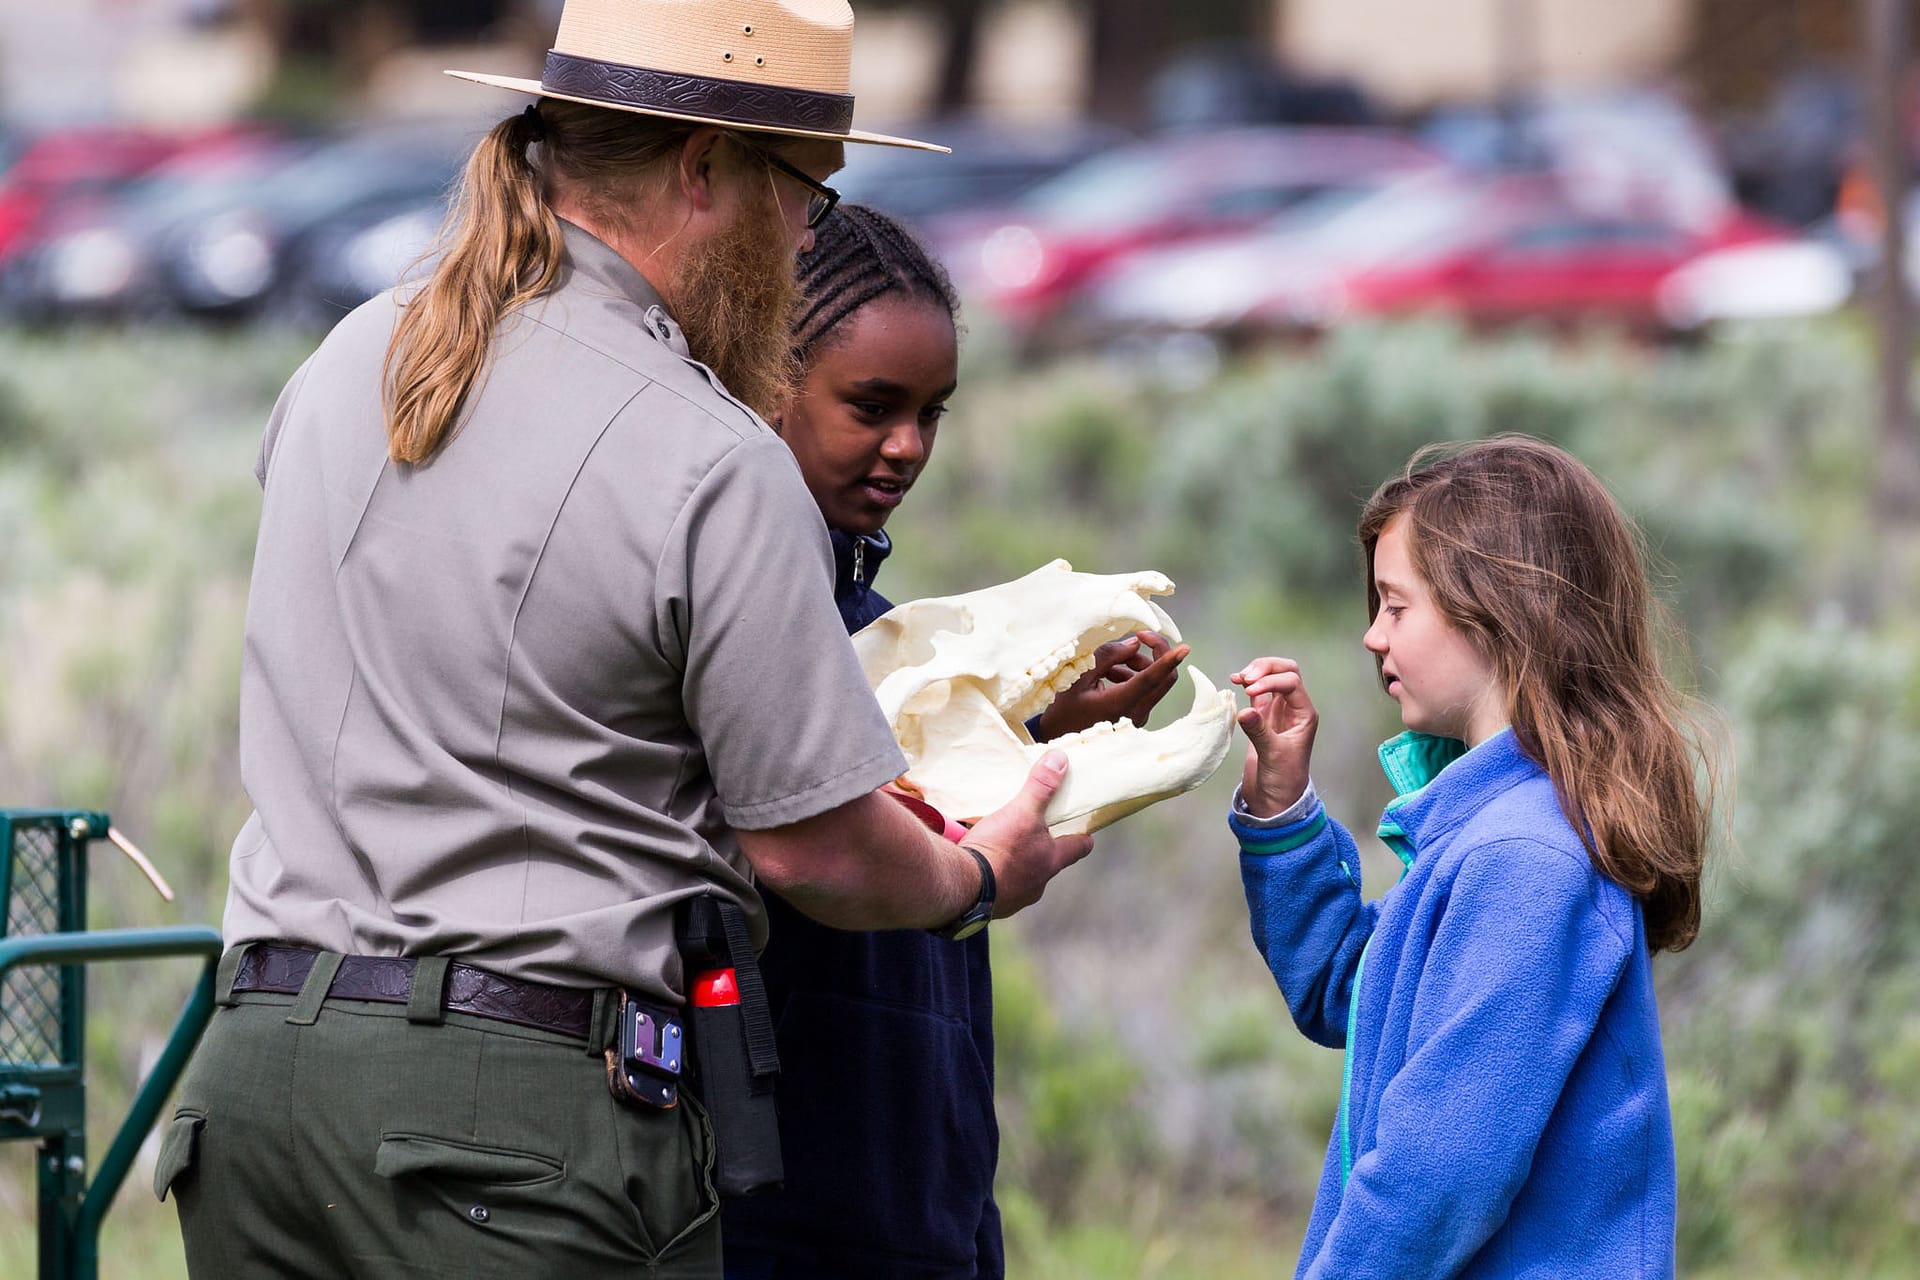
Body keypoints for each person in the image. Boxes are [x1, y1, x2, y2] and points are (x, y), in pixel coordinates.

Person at [154, 4, 1094, 1276]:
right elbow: (812, 843)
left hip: (255, 1082)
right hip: (508, 1125)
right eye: (805, 194)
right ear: (706, 168)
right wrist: (979, 877)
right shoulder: (709, 453)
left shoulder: (350, 357)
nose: (806, 235)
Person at [718, 204, 1188, 1278]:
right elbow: (816, 848)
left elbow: (897, 803)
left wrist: (1029, 738)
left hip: (920, 1194)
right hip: (788, 1213)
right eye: (873, 405)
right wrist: (977, 870)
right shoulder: (735, 630)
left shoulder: (870, 625)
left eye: (933, 413)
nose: (908, 446)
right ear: (762, 382)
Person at [1228, 436, 1714, 1279]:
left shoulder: (1525, 856)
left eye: (1396, 605)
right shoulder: (1489, 832)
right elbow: (1351, 991)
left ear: (1497, 606)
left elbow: (1438, 1175)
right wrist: (1283, 811)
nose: (1372, 636)